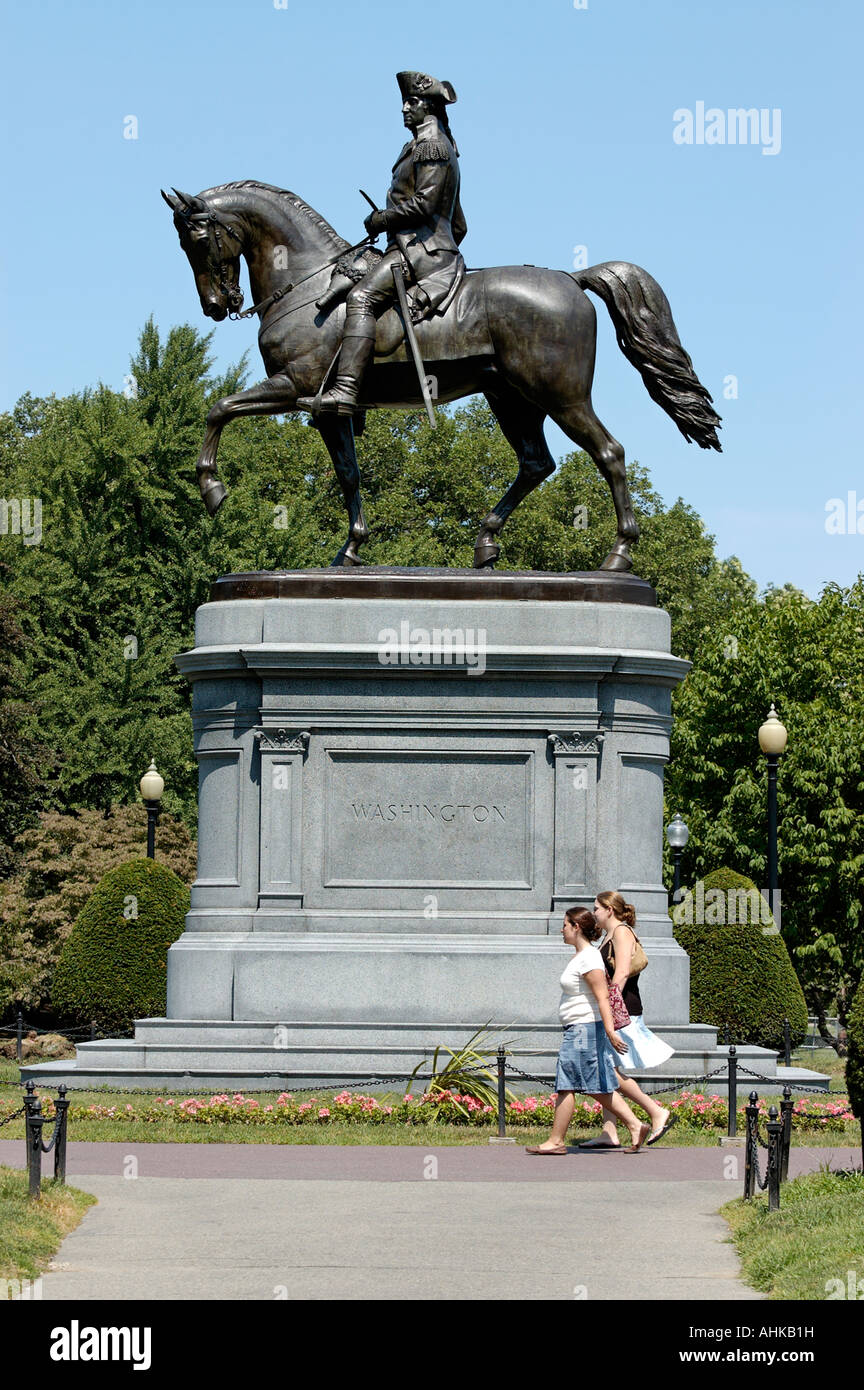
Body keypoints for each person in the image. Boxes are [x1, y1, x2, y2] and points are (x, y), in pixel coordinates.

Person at [297, 69, 466, 417]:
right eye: (404, 101)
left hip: (421, 251)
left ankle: (345, 392)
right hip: (417, 247)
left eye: (413, 102)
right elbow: (459, 222)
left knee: (361, 296)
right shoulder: (424, 145)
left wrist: (382, 220)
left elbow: (427, 204)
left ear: (430, 107)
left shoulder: (432, 145)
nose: (405, 108)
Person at [525, 907, 650, 1155]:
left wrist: (610, 1031)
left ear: (576, 927)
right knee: (593, 1084)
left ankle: (556, 1141)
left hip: (583, 1029)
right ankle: (635, 1125)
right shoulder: (582, 956)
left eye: (565, 924)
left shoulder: (589, 958)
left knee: (568, 1083)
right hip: (580, 1028)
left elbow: (603, 998)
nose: (561, 929)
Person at [577, 891, 676, 1149]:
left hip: (624, 1010)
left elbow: (621, 973)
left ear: (609, 909)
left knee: (608, 1069)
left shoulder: (622, 932)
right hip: (618, 1009)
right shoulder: (610, 935)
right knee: (609, 1067)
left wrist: (609, 1006)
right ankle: (609, 1131)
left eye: (597, 908)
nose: (594, 912)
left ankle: (655, 1112)